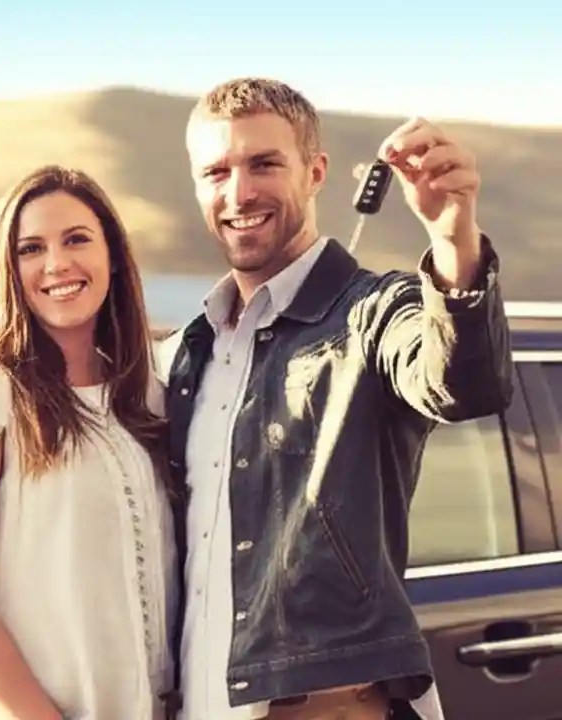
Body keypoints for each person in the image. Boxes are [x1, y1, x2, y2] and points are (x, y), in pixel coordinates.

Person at [159, 77, 512, 720]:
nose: (239, 192)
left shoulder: (374, 312)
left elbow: (461, 383)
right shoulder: (189, 351)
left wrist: (453, 240)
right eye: (216, 171)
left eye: (264, 164)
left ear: (315, 172)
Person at [0, 165, 180, 720]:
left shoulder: (148, 397)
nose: (56, 264)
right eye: (31, 249)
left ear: (112, 255)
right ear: (6, 268)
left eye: (76, 239)